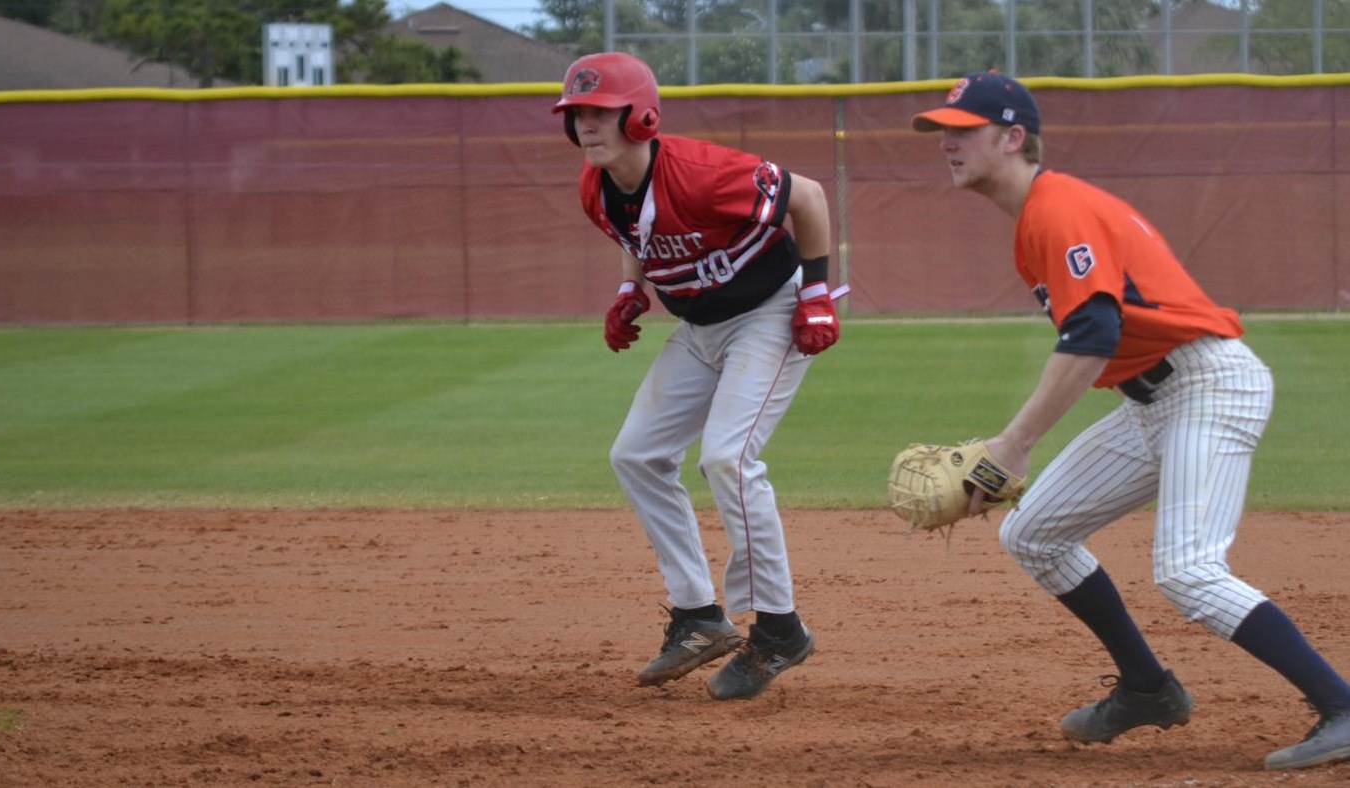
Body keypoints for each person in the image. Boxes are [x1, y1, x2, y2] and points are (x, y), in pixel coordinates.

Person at [910, 71, 1350, 770]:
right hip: (1151, 404)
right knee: (1034, 534)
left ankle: (1341, 706)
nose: (946, 146)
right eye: (941, 134)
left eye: (961, 132)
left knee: (1188, 570)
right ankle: (1147, 688)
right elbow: (1098, 337)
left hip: (1207, 387)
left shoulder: (1059, 209)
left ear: (1012, 136)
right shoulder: (1036, 221)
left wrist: (1013, 446)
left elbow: (1090, 333)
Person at [551, 52, 841, 701]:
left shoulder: (703, 173)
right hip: (700, 329)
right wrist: (631, 289)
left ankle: (777, 629)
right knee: (637, 454)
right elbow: (641, 229)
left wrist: (817, 291)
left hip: (768, 316)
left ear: (641, 114)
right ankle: (697, 616)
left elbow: (811, 197)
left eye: (599, 112)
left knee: (728, 459)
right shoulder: (595, 186)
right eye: (576, 115)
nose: (586, 125)